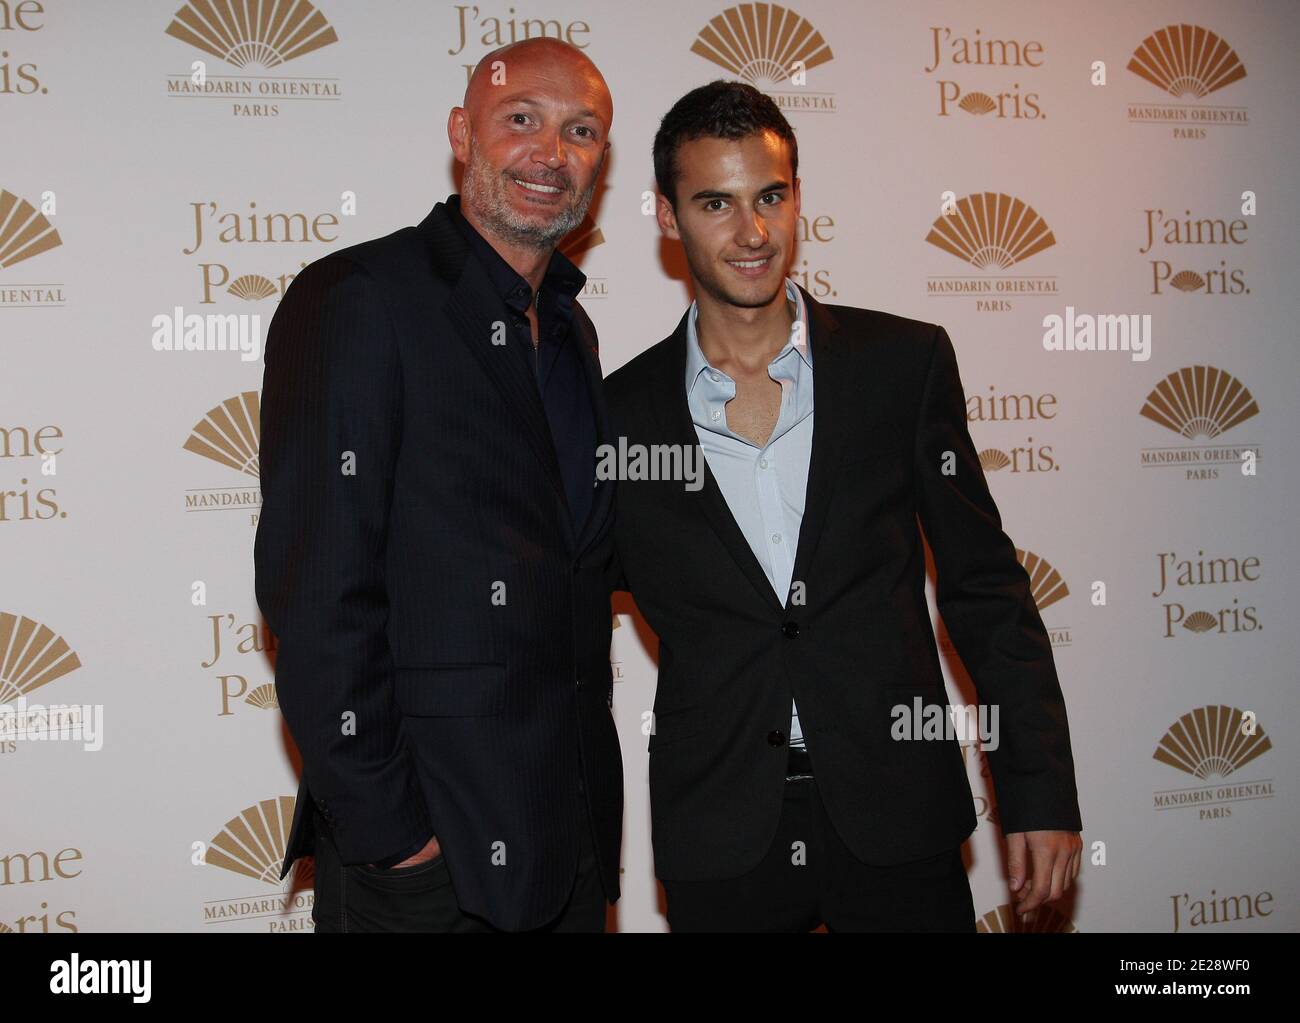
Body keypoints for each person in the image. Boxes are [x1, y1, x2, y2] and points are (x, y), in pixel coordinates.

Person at [604, 80, 1083, 932]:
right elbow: (561, 616)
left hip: (899, 810)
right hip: (721, 828)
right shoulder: (616, 412)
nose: (752, 233)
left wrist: (1038, 789)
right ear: (668, 218)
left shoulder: (901, 366)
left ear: (796, 201)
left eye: (771, 197)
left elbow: (985, 590)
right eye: (716, 202)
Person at [254, 38, 621, 932]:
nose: (551, 152)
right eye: (521, 119)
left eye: (581, 131)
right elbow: (316, 593)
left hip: (568, 848)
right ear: (464, 134)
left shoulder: (573, 333)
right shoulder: (359, 298)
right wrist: (393, 838)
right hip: (429, 864)